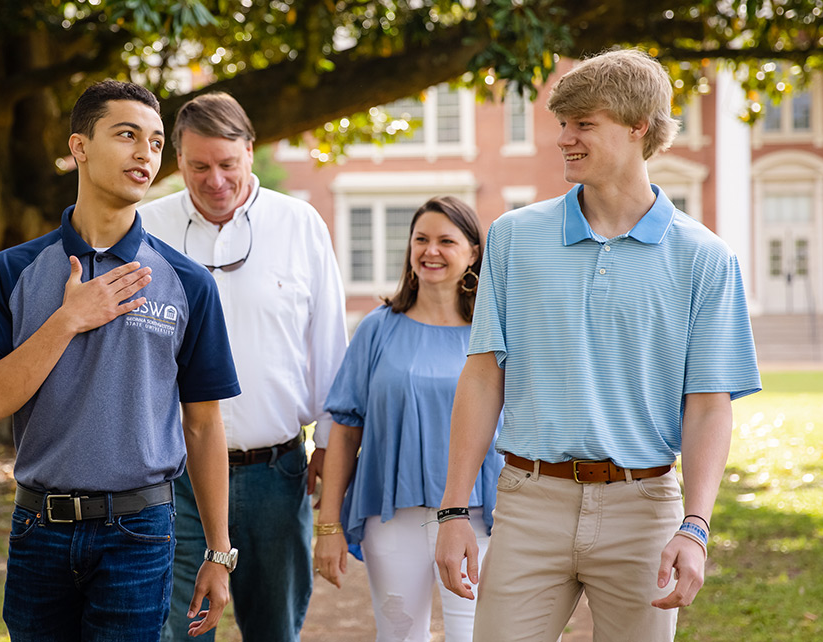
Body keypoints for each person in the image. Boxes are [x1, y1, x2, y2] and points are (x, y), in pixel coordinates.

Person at [434, 49, 761, 642]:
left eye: (584, 124)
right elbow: (483, 376)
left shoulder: (705, 258)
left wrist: (696, 526)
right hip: (530, 501)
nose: (564, 138)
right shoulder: (513, 238)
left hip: (645, 511)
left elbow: (710, 404)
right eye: (563, 123)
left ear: (639, 126)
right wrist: (456, 509)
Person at [0, 79, 241, 641]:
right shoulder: (10, 272)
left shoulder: (188, 283)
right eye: (127, 135)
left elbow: (204, 425)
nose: (145, 154)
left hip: (139, 532)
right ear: (79, 147)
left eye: (157, 143)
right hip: (39, 527)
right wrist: (66, 320)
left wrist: (218, 552)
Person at [141, 92, 348, 642]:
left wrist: (327, 443)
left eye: (227, 165)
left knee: (275, 629)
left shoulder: (299, 222)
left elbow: (328, 343)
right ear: (176, 159)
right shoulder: (143, 228)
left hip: (273, 473)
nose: (214, 180)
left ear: (250, 153)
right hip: (173, 478)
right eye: (198, 166)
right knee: (177, 630)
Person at [313, 196, 505, 642]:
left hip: (478, 517)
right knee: (399, 636)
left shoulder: (495, 332)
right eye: (421, 239)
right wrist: (328, 525)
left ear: (474, 252)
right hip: (392, 517)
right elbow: (344, 431)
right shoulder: (378, 328)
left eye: (445, 241)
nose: (430, 251)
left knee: (473, 636)